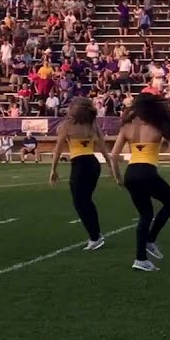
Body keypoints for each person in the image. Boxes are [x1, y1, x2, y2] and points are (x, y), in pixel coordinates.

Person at [110, 93, 170, 272]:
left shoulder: (127, 128)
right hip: (147, 172)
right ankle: (150, 240)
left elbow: (113, 156)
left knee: (145, 215)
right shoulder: (159, 127)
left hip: (131, 173)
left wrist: (118, 177)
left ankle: (141, 259)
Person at [49, 97, 120, 250]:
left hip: (80, 165)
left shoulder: (66, 126)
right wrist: (110, 166)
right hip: (93, 164)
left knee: (79, 202)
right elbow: (102, 148)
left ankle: (95, 237)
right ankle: (96, 235)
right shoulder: (92, 125)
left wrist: (53, 170)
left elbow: (58, 150)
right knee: (86, 200)